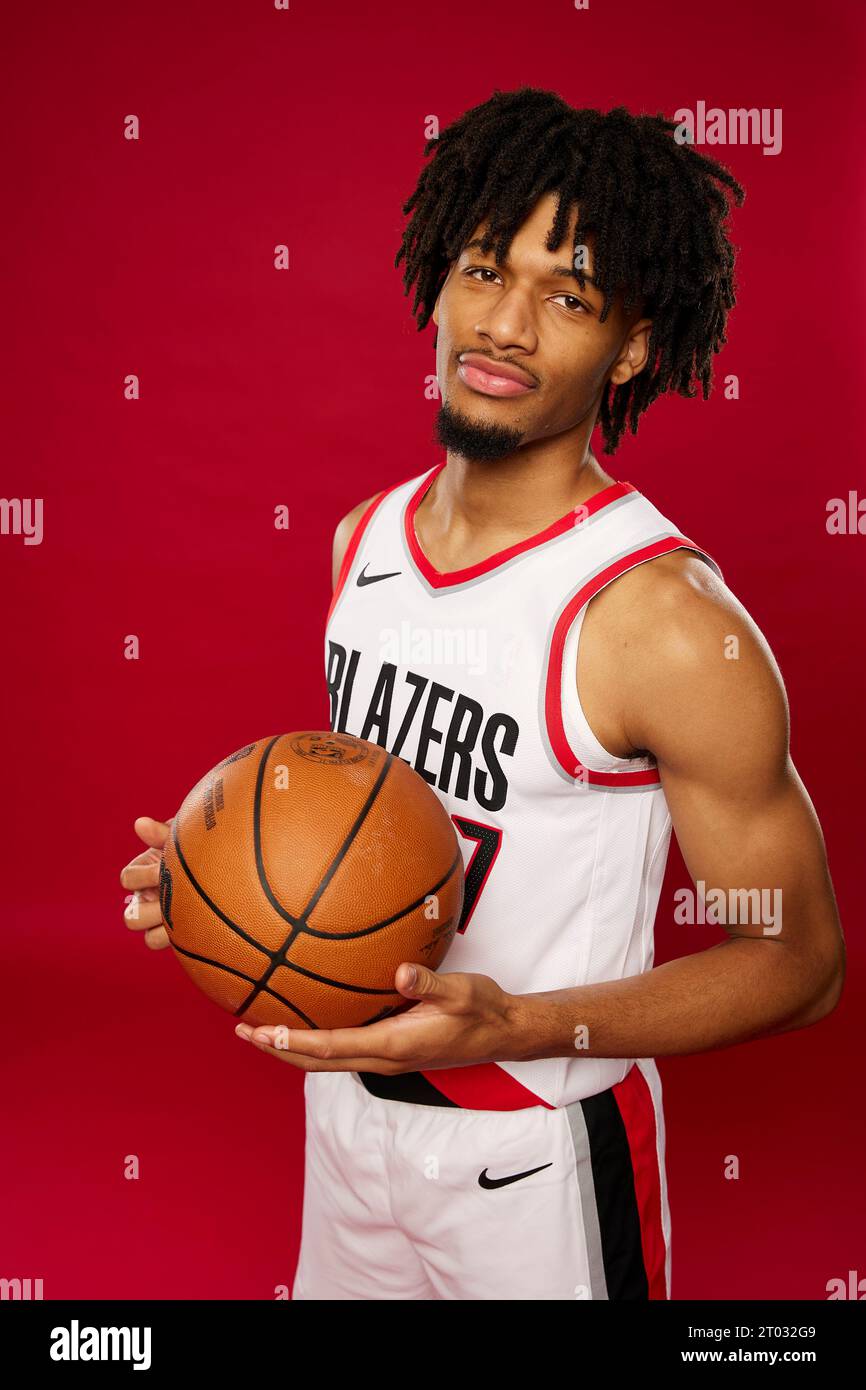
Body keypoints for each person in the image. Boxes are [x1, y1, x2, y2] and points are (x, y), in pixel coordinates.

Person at [120, 88, 845, 1300]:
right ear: (436, 278)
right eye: (480, 268)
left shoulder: (661, 624)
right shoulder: (362, 541)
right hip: (344, 1117)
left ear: (630, 345)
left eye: (566, 294)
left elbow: (798, 962)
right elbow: (368, 849)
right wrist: (221, 890)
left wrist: (513, 1023)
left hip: (537, 1150)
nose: (502, 324)